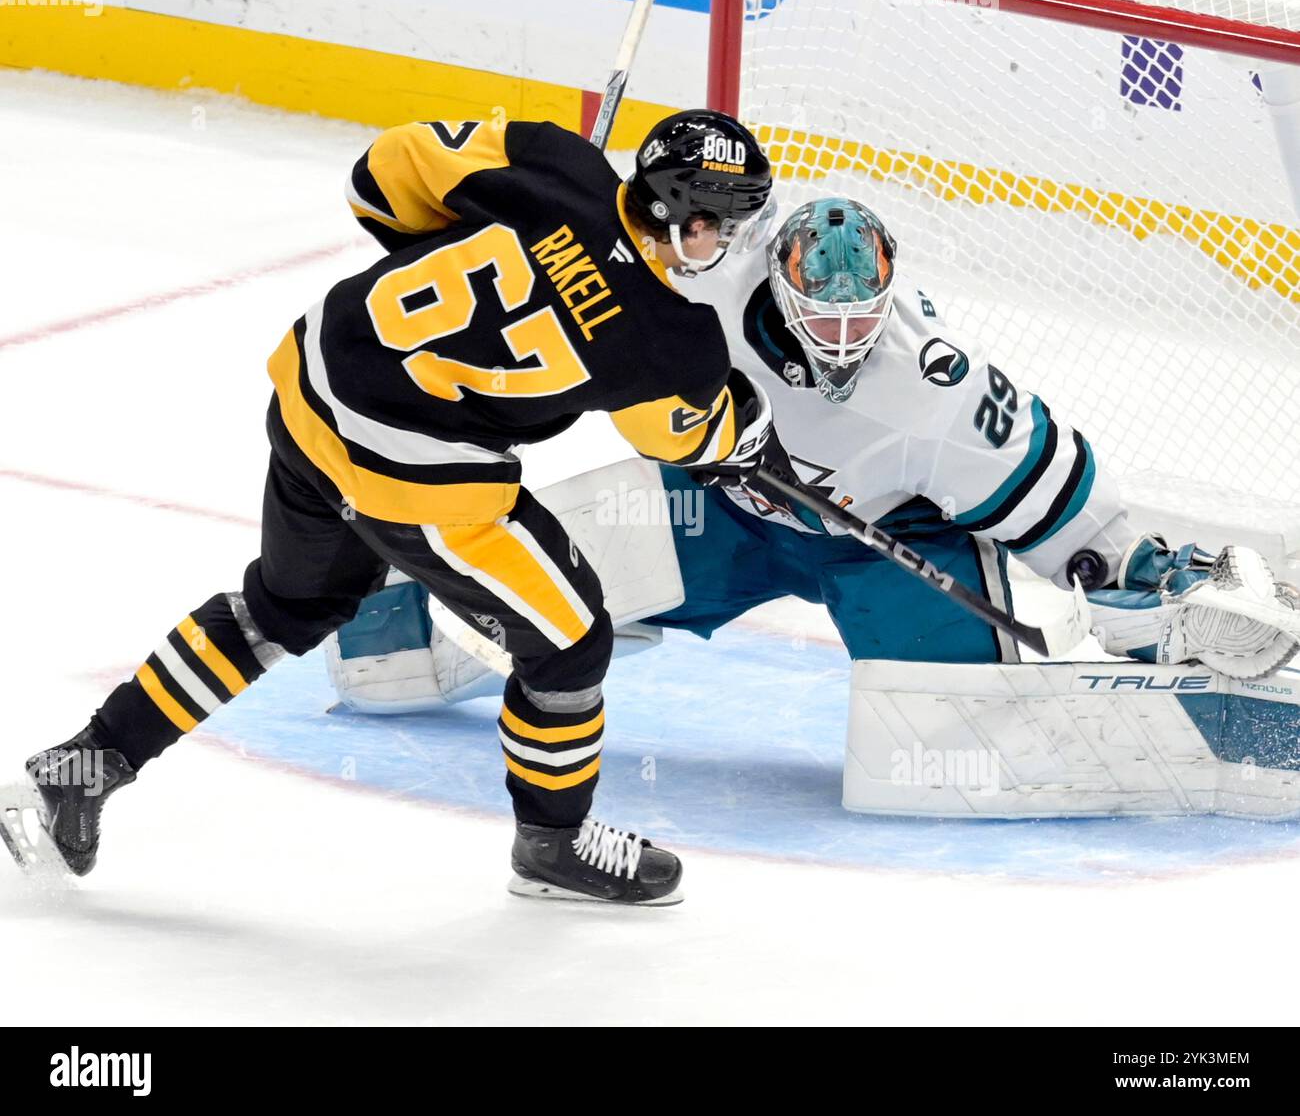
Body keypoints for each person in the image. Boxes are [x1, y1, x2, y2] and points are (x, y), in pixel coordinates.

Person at [6, 111, 779, 907]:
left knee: (284, 607)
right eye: (723, 225)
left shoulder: (552, 158)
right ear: (685, 220)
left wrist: (515, 219)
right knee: (572, 638)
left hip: (315, 394)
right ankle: (553, 843)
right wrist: (746, 425)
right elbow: (694, 439)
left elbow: (379, 177)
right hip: (417, 481)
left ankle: (87, 763)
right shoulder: (674, 340)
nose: (726, 243)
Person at [331, 197, 1298, 726]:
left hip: (880, 542)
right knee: (564, 580)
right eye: (821, 314)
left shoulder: (932, 381)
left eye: (859, 316)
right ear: (782, 287)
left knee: (962, 721)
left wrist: (1120, 567)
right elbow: (609, 260)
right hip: (730, 506)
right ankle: (411, 596)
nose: (841, 336)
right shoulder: (713, 279)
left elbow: (1042, 477)